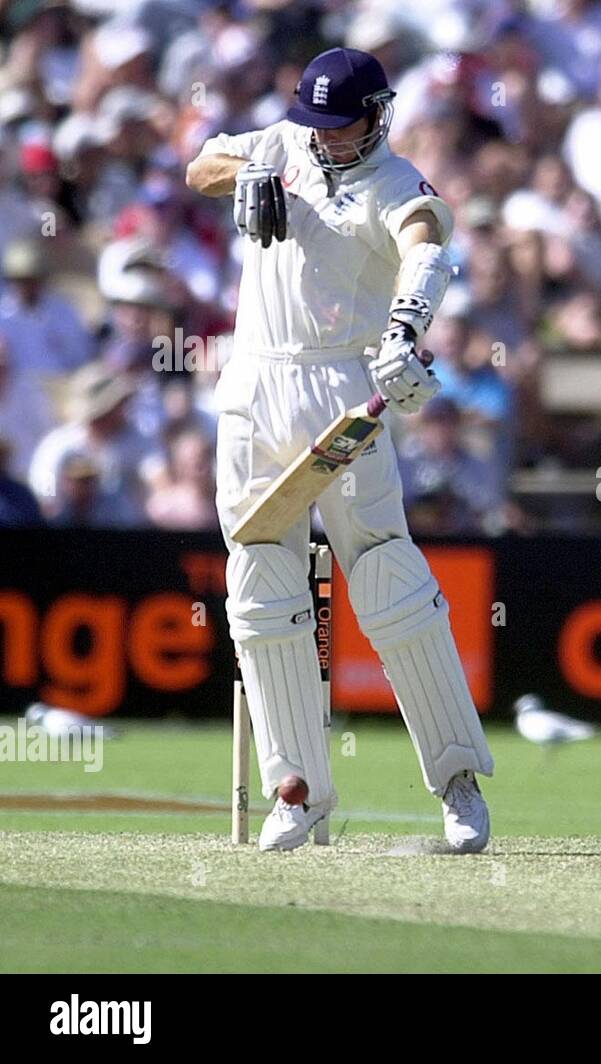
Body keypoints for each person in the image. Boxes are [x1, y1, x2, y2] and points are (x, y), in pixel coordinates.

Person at [185, 47, 493, 853]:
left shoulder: (396, 182)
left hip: (342, 386)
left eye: (343, 124)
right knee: (258, 580)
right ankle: (298, 792)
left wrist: (406, 329)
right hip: (255, 386)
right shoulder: (286, 142)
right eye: (317, 124)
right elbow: (199, 164)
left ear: (380, 113)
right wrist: (241, 175)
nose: (328, 140)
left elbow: (426, 240)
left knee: (389, 578)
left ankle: (458, 781)